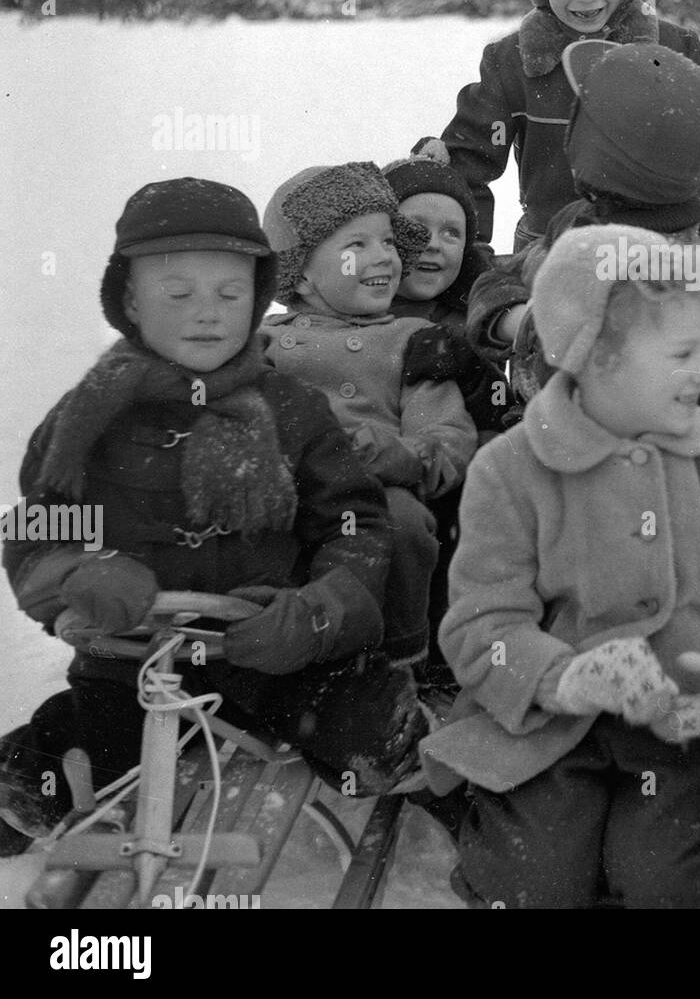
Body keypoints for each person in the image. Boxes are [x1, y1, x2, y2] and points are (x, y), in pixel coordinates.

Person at [0, 179, 423, 850]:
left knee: (367, 731)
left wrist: (315, 614)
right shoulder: (89, 419)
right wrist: (76, 575)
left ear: (256, 299)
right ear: (131, 300)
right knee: (85, 748)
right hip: (134, 661)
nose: (207, 314)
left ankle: (386, 742)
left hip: (275, 655)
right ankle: (34, 785)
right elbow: (34, 529)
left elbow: (356, 524)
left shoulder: (292, 409)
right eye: (178, 294)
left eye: (230, 294)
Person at [422, 225, 700, 908]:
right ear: (597, 357)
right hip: (550, 728)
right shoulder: (509, 471)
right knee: (535, 881)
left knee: (670, 882)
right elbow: (482, 625)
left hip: (689, 721)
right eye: (681, 353)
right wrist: (563, 676)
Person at [261, 162, 477, 671]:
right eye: (357, 246)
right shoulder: (263, 342)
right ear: (301, 272)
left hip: (372, 494)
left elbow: (445, 441)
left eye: (386, 241)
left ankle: (399, 663)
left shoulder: (411, 341)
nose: (384, 256)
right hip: (283, 488)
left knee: (402, 523)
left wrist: (389, 454)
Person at [435, 0, 700, 252]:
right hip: (547, 248)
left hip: (657, 247)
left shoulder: (673, 49)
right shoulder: (511, 61)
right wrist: (463, 251)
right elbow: (468, 159)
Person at [464, 38, 700, 408]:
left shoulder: (675, 270)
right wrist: (522, 318)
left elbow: (695, 387)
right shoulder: (578, 219)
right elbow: (501, 278)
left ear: (592, 144)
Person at [380, 150, 516, 683]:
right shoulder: (344, 309)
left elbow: (511, 415)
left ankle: (446, 655)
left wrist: (471, 369)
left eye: (452, 233)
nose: (434, 245)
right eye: (415, 229)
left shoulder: (476, 322)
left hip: (453, 480)